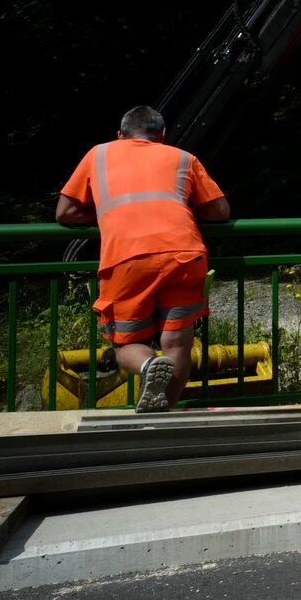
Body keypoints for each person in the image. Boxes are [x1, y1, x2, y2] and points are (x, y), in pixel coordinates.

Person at [54, 105, 230, 412]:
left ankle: (148, 366)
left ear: (120, 135)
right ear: (162, 134)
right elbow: (220, 211)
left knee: (125, 344)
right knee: (177, 343)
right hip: (184, 253)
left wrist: (106, 211)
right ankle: (165, 415)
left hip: (126, 257)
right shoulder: (183, 157)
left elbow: (65, 212)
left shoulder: (97, 154)